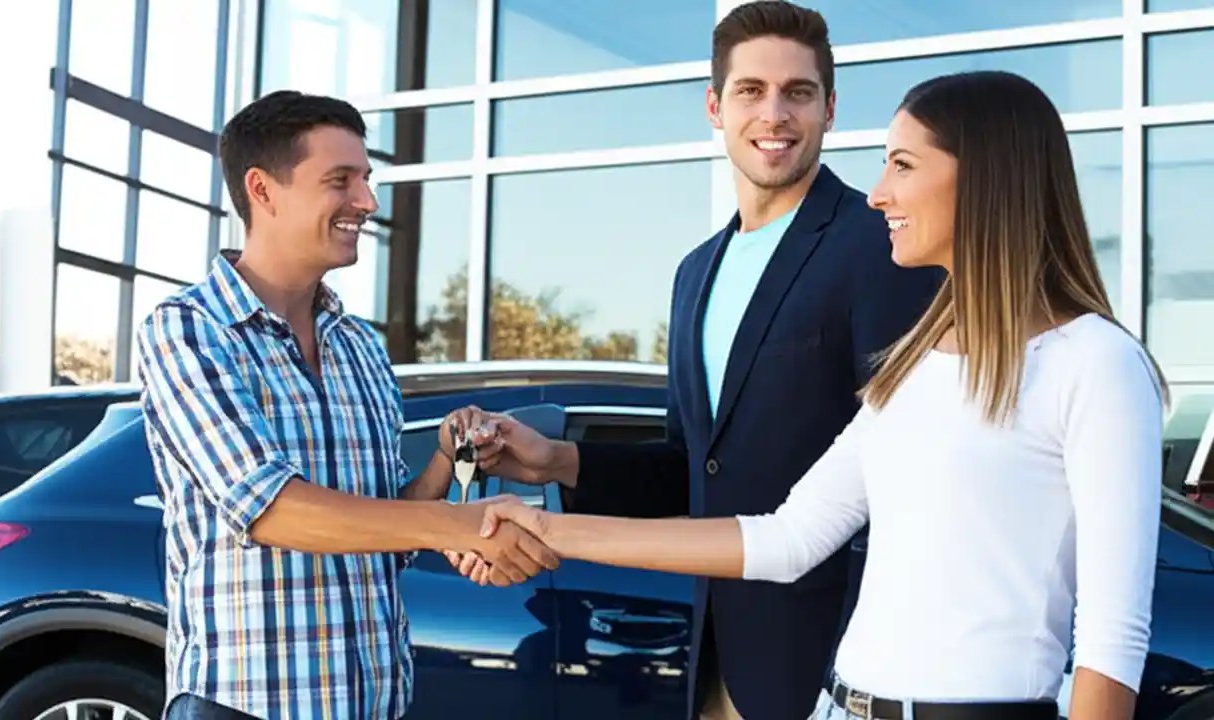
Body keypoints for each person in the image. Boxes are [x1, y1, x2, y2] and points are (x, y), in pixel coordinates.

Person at [472, 70, 1168, 720]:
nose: (878, 194)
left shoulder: (1095, 363)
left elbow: (1112, 637)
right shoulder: (916, 362)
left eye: (902, 164)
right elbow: (789, 536)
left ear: (986, 177)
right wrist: (549, 530)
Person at [447, 3, 941, 719]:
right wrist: (555, 460)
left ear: (830, 108)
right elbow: (693, 470)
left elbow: (920, 473)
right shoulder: (695, 273)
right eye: (751, 91)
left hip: (843, 663)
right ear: (715, 106)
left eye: (797, 93)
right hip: (716, 663)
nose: (774, 115)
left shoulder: (879, 247)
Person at [135, 90, 557, 720]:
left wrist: (448, 462)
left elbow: (390, 532)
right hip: (247, 707)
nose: (367, 201)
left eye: (366, 179)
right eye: (341, 181)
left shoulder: (360, 346)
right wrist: (462, 526)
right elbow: (273, 510)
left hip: (373, 703)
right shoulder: (188, 331)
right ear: (263, 190)